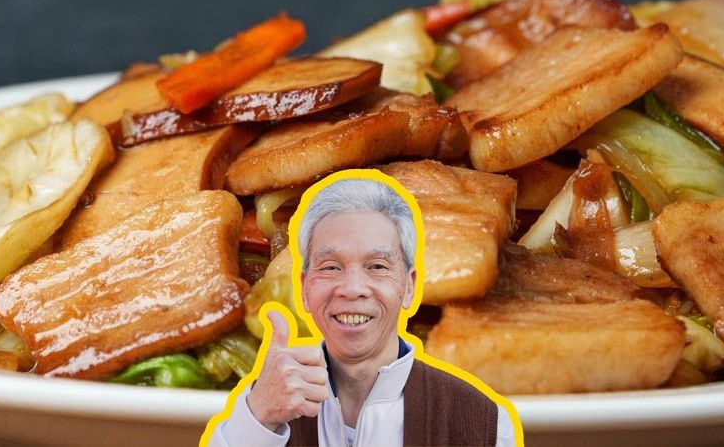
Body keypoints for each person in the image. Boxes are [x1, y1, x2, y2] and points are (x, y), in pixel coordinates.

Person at [206, 174, 519, 447]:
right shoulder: (258, 412)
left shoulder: (483, 423)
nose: (353, 288)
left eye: (377, 266)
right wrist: (259, 419)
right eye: (331, 267)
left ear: (409, 286)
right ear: (303, 287)